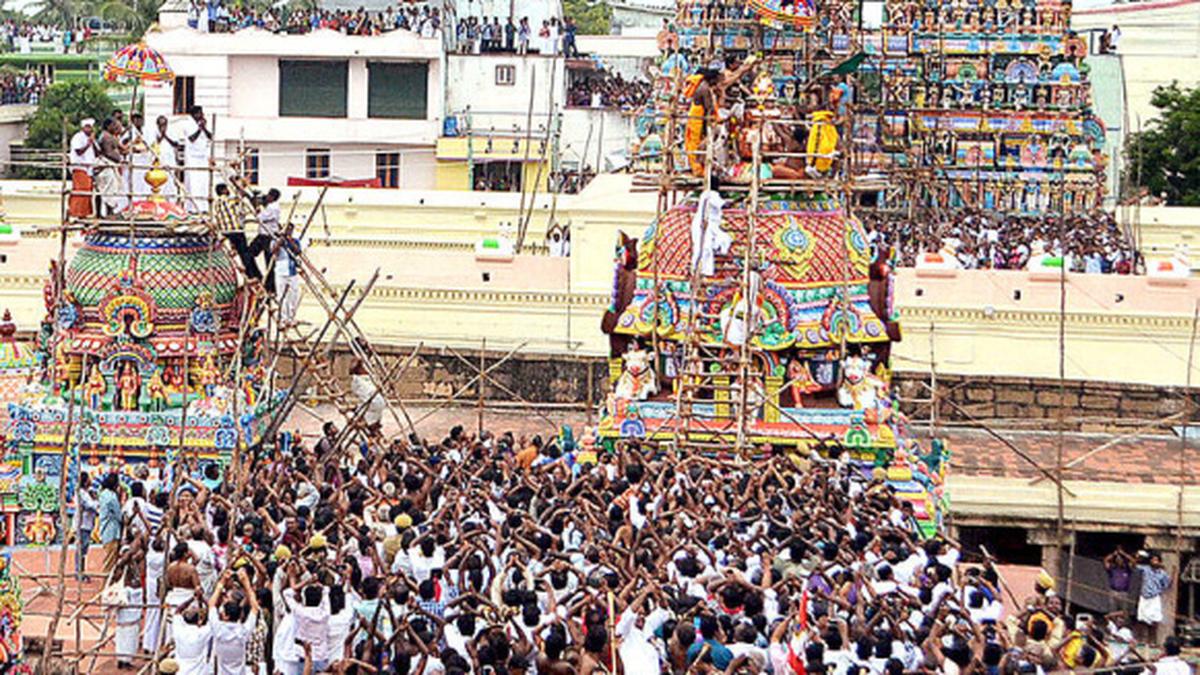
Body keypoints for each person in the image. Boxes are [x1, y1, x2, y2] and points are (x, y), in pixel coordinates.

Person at [182, 105, 213, 213]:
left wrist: (204, 128)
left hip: (202, 156)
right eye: (200, 113)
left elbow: (211, 137)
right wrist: (200, 128)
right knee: (193, 183)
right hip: (192, 157)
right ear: (194, 114)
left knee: (203, 182)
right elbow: (192, 139)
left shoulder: (203, 125)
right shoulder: (187, 124)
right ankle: (192, 208)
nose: (202, 115)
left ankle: (203, 207)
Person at [1136, 552, 1171, 642]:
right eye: (1152, 560)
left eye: (1156, 560)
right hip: (1144, 597)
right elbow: (1134, 565)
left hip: (1154, 598)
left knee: (1155, 620)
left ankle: (1153, 641)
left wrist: (1159, 590)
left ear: (1159, 562)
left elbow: (1166, 585)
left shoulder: (1163, 574)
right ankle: (1142, 640)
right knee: (1142, 619)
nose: (1154, 562)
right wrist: (1138, 557)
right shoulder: (1145, 569)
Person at [68, 118, 97, 218]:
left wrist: (92, 142)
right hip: (79, 167)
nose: (90, 129)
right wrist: (88, 144)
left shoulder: (90, 139)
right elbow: (78, 151)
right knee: (81, 190)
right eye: (88, 127)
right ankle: (75, 213)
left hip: (88, 169)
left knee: (87, 191)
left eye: (91, 127)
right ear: (83, 127)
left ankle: (83, 214)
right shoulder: (78, 137)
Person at [73, 471, 98, 581]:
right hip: (82, 524)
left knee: (83, 549)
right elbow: (90, 505)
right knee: (81, 549)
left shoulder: (86, 493)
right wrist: (97, 502)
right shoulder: (81, 494)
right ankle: (79, 572)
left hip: (87, 524)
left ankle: (81, 571)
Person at [97, 472, 122, 573]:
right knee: (110, 561)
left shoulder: (103, 494)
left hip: (105, 530)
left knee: (109, 558)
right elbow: (118, 515)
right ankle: (105, 584)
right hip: (112, 530)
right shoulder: (112, 496)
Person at [154, 115, 182, 198]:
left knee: (170, 180)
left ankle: (171, 199)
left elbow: (176, 144)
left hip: (170, 159)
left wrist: (165, 135)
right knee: (160, 180)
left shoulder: (172, 131)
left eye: (164, 124)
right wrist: (161, 135)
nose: (163, 126)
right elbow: (154, 144)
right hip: (159, 160)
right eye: (161, 124)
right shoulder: (154, 132)